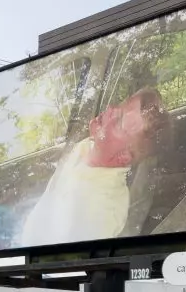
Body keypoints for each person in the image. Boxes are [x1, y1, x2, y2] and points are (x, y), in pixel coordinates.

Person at [19, 88, 170, 247]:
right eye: (120, 105)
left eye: (118, 121)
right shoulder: (86, 145)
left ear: (123, 156)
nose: (110, 108)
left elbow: (63, 261)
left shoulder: (105, 210)